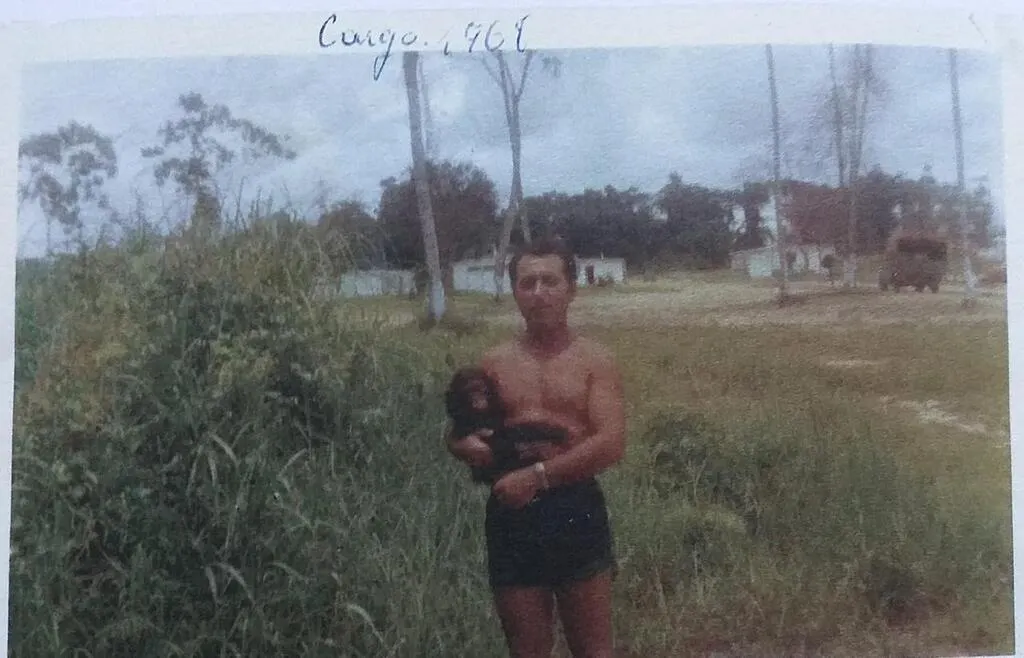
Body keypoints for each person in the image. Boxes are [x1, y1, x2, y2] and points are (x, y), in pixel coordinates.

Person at [446, 238, 626, 658]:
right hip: (513, 514)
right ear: (515, 292)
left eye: (550, 281)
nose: (539, 292)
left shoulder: (594, 360)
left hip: (575, 507)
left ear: (571, 289)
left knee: (594, 651)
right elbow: (459, 429)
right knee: (527, 651)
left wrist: (540, 476)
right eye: (528, 283)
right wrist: (461, 445)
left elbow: (612, 443)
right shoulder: (493, 363)